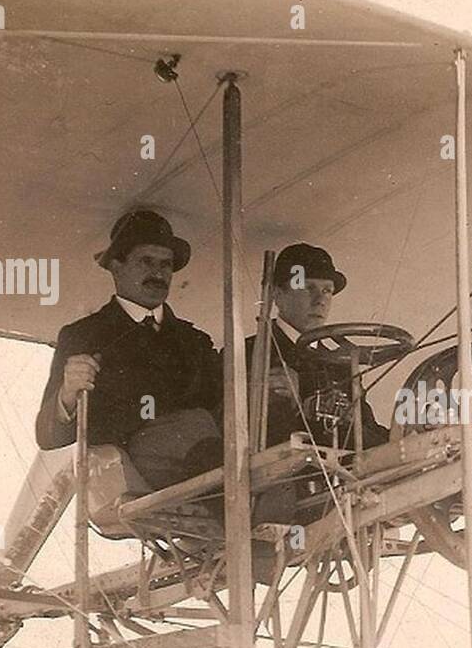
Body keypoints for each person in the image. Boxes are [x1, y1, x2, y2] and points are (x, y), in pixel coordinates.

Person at [35, 209, 223, 491]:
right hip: (133, 472)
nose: (158, 273)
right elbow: (47, 436)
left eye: (166, 264)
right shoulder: (83, 336)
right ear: (116, 266)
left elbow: (221, 408)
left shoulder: (195, 341)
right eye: (146, 261)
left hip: (208, 460)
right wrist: (69, 393)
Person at [248, 242, 388, 451]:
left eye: (327, 290)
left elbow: (368, 430)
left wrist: (404, 435)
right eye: (308, 288)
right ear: (277, 295)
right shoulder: (249, 353)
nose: (320, 300)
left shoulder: (342, 363)